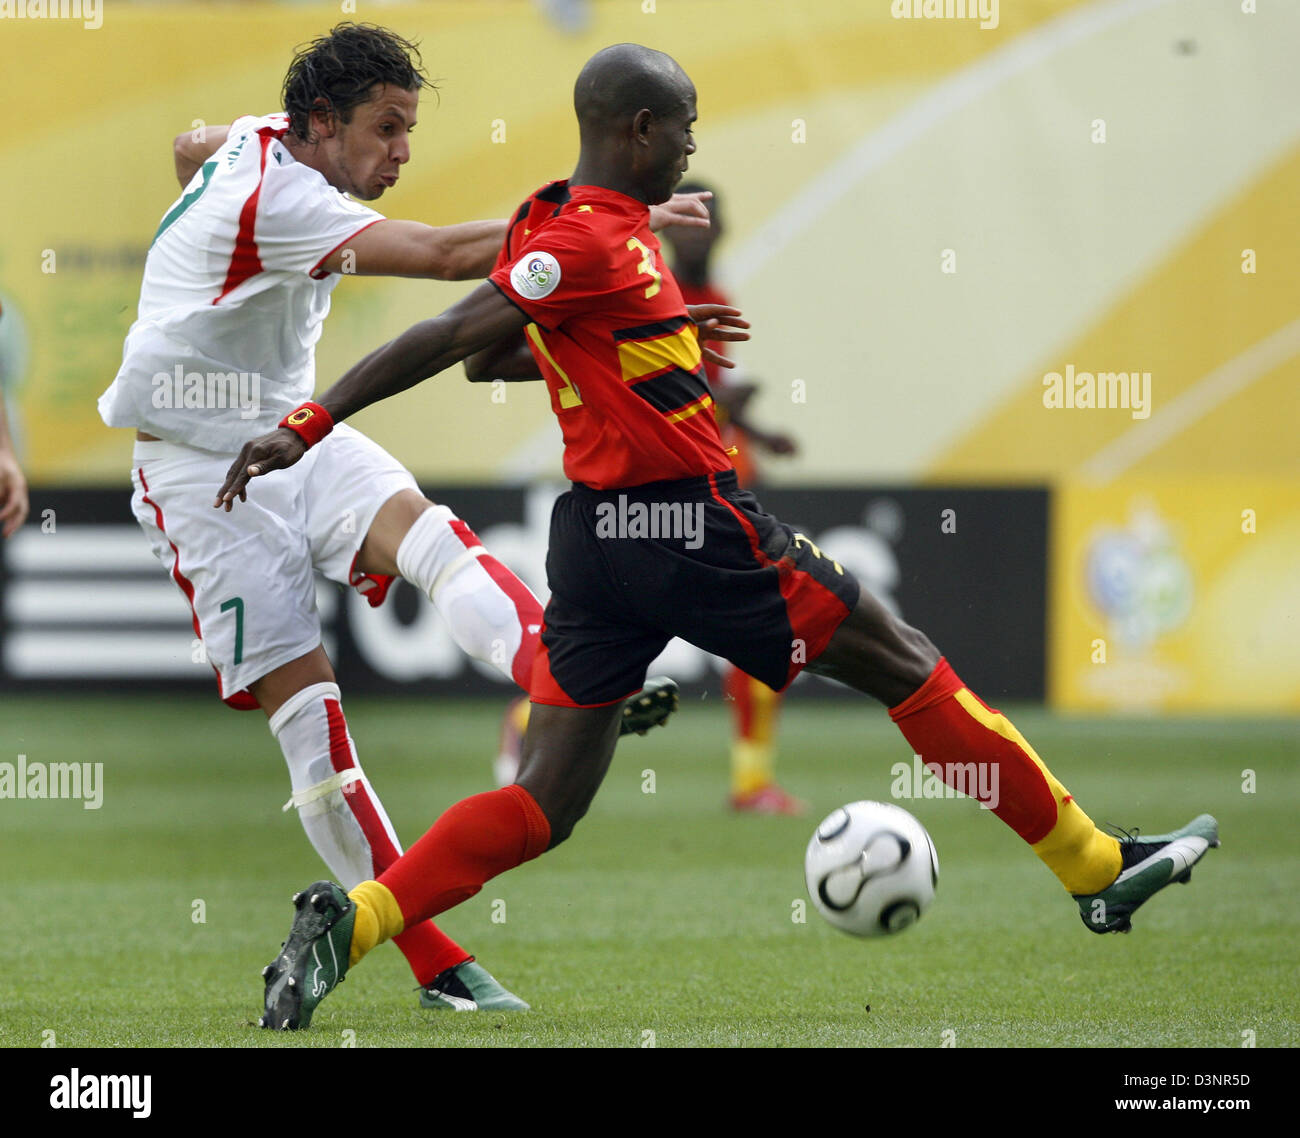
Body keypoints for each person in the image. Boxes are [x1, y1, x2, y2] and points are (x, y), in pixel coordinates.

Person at [215, 43, 1218, 1031]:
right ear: (639, 128)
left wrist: (659, 343)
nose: (693, 143)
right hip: (688, 526)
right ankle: (1094, 868)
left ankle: (351, 926)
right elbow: (443, 342)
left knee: (546, 801)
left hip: (596, 544)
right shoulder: (588, 241)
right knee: (906, 662)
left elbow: (499, 363)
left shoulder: (557, 220)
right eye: (684, 123)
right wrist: (309, 425)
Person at [98, 24, 700, 1015]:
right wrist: (612, 214)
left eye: (410, 127)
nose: (404, 151)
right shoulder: (280, 194)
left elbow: (188, 145)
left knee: (432, 537)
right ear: (321, 126)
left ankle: (564, 687)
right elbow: (443, 252)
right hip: (203, 474)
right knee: (314, 729)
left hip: (296, 429)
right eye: (388, 128)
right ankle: (435, 961)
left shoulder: (259, 140)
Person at [661, 181, 804, 815]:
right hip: (652, 490)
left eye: (707, 220)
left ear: (723, 229)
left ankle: (751, 783)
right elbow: (660, 392)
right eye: (685, 219)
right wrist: (728, 410)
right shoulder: (651, 291)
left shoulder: (716, 299)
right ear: (665, 227)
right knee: (609, 641)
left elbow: (704, 402)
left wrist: (754, 432)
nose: (697, 231)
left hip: (700, 483)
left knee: (756, 624)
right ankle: (527, 722)